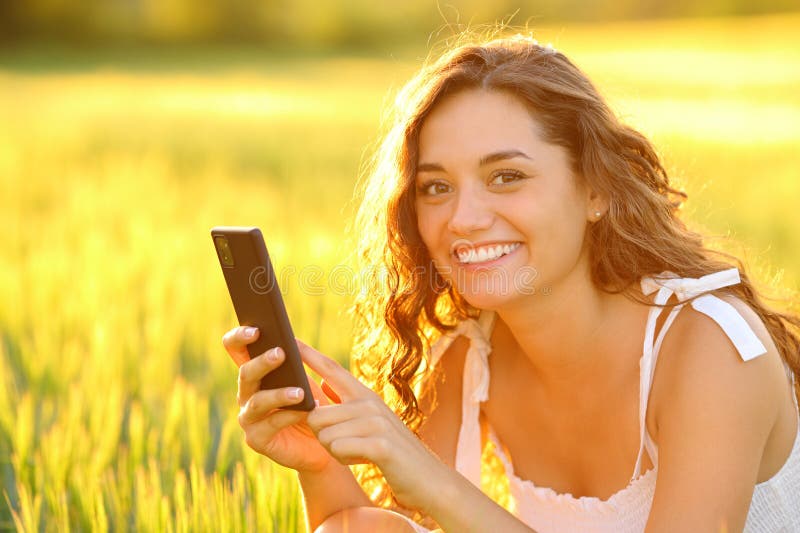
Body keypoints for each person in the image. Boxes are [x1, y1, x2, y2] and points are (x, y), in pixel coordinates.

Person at [222, 33, 800, 532]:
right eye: (436, 187)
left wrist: (433, 482)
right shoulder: (468, 359)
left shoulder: (710, 350)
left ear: (595, 190)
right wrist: (318, 467)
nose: (464, 218)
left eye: (507, 176)